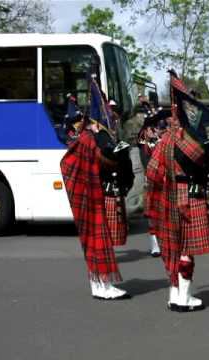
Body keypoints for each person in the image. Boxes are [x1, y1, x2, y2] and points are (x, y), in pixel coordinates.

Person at [145, 71, 209, 312]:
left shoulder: (165, 140)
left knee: (172, 247)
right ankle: (185, 298)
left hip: (170, 196)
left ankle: (174, 294)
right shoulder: (195, 143)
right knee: (186, 249)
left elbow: (152, 173)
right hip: (191, 197)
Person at [60, 113, 130, 300]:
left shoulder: (82, 140)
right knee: (99, 242)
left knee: (92, 242)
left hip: (86, 197)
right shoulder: (89, 141)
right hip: (92, 196)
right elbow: (103, 161)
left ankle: (97, 285)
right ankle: (105, 286)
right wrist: (115, 152)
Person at [138, 120, 162, 257]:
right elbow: (147, 163)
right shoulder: (144, 146)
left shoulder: (161, 143)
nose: (155, 131)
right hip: (151, 184)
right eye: (151, 129)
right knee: (152, 217)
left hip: (164, 184)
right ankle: (155, 246)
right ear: (146, 131)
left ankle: (166, 243)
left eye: (156, 128)